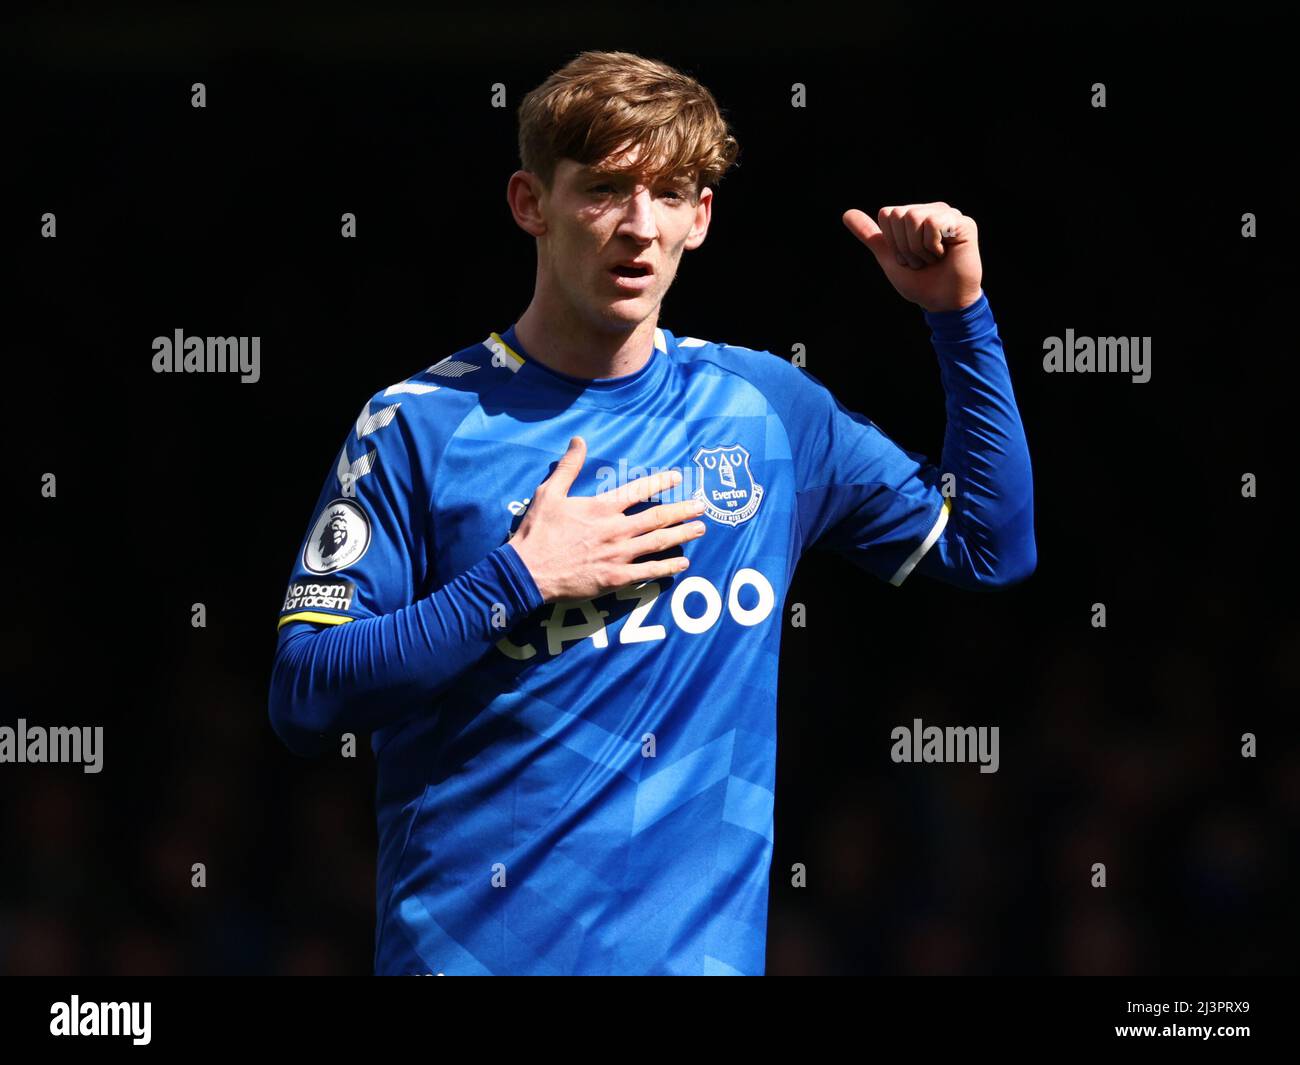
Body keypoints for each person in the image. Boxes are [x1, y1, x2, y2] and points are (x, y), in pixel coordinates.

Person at [268, 49, 1036, 975]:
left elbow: (989, 546)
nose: (638, 226)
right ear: (529, 203)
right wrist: (518, 579)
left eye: (669, 194)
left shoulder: (766, 411)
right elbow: (306, 694)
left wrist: (960, 316)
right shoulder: (419, 426)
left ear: (700, 217)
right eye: (602, 191)